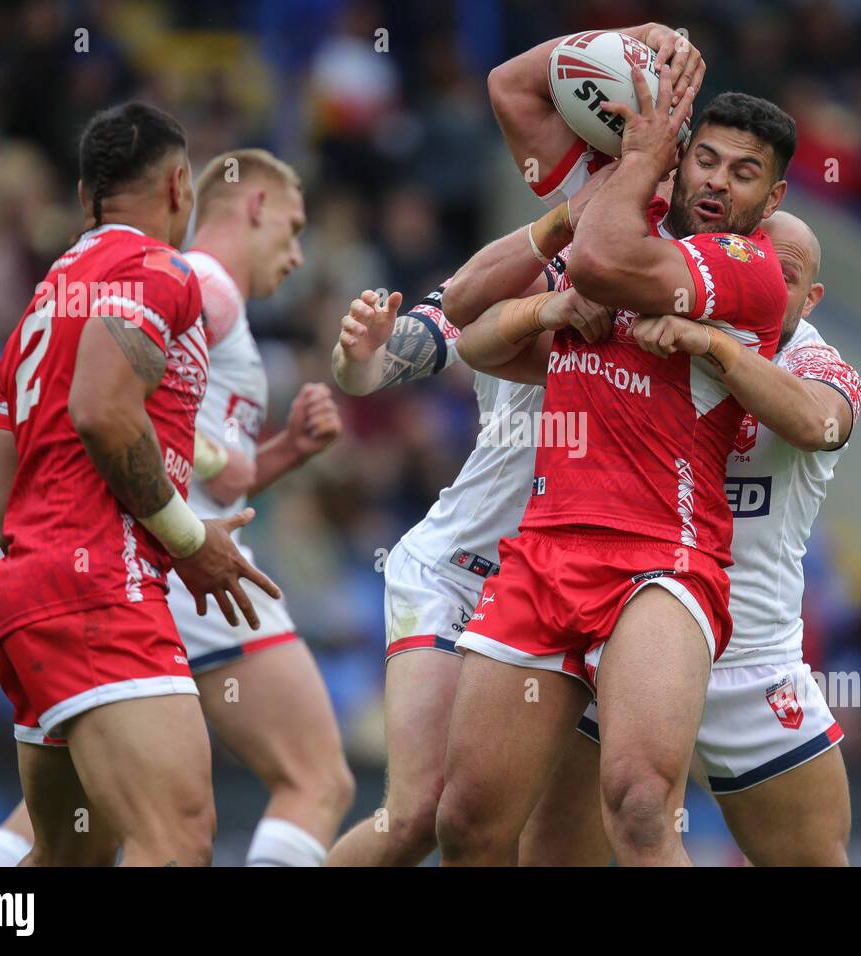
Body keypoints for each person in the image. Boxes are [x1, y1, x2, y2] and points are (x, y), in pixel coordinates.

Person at [323, 21, 703, 868]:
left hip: (591, 581)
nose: (667, 173)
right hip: (466, 564)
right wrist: (631, 34)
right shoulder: (540, 262)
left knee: (557, 842)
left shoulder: (684, 280)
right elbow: (422, 335)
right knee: (419, 815)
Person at [435, 64, 795, 864]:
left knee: (637, 805)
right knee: (465, 823)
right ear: (683, 157)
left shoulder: (747, 269)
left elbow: (599, 261)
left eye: (744, 174)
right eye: (704, 159)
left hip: (663, 561)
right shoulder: (625, 235)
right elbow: (473, 335)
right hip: (543, 550)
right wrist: (550, 307)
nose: (716, 183)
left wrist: (638, 161)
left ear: (768, 204)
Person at [0, 148, 353, 868]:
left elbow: (168, 433)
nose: (298, 256)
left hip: (114, 562)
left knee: (75, 836)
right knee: (308, 780)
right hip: (159, 563)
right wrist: (205, 484)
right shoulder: (195, 279)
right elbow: (107, 400)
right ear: (255, 206)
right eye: (293, 228)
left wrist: (281, 454)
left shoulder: (125, 287)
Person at [471, 211, 861, 866]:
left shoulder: (814, 362)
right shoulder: (647, 331)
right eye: (753, 259)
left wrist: (713, 348)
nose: (764, 276)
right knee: (557, 853)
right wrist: (558, 305)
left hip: (750, 663)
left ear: (811, 296)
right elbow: (481, 335)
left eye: (785, 273)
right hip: (630, 630)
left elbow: (819, 422)